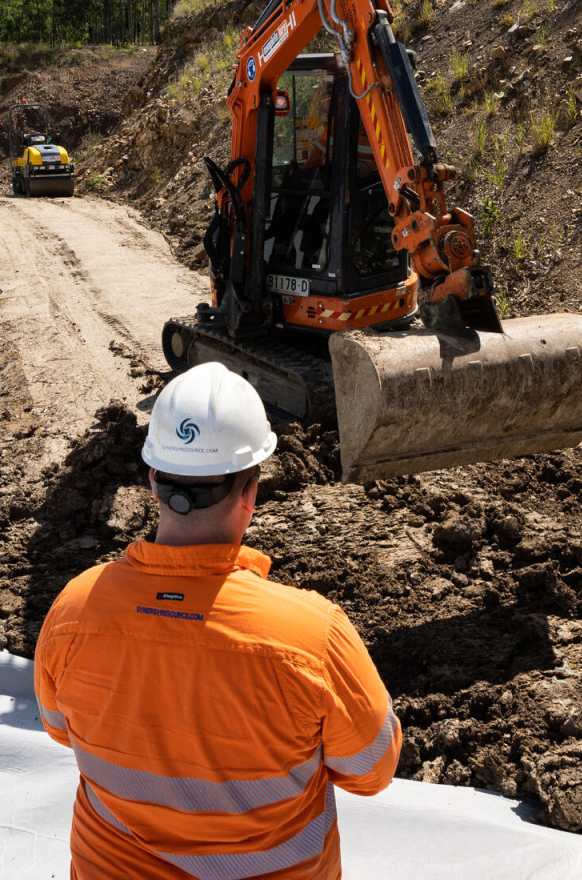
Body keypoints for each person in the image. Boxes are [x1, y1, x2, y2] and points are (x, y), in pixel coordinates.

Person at [35, 362, 400, 879]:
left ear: (154, 482)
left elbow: (59, 728)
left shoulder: (73, 611)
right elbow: (373, 769)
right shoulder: (312, 638)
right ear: (250, 493)